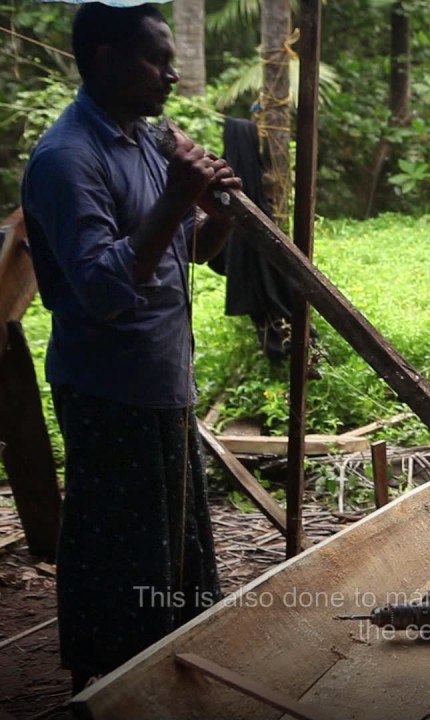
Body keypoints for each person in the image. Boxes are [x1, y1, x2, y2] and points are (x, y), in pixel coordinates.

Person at [21, 3, 240, 691]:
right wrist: (178, 198)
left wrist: (219, 213)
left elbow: (184, 255)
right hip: (109, 391)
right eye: (156, 58)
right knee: (116, 560)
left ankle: (167, 681)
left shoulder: (144, 139)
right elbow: (104, 290)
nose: (172, 73)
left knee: (170, 554)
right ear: (107, 60)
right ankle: (102, 690)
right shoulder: (67, 158)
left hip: (163, 382)